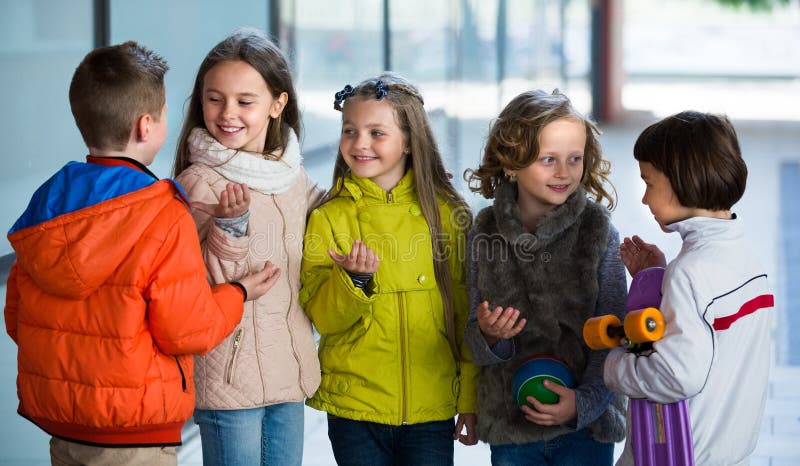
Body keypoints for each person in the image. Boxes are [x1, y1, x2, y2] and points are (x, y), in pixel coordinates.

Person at [4, 41, 280, 466]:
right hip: (137, 433)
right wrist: (238, 293)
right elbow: (186, 331)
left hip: (63, 426)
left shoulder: (48, 205)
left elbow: (17, 317)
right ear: (146, 125)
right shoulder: (163, 213)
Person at [299, 73, 479, 466]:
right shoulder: (329, 218)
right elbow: (323, 319)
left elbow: (466, 314)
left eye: (376, 132)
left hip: (431, 409)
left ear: (410, 141)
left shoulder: (449, 214)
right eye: (350, 130)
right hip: (354, 407)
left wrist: (468, 397)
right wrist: (354, 281)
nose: (359, 143)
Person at [172, 28, 322, 466]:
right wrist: (229, 230)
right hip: (228, 377)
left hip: (287, 373)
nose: (227, 113)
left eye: (244, 101)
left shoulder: (293, 177)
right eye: (214, 98)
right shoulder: (197, 182)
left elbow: (338, 219)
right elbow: (189, 286)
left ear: (278, 105)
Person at [463, 89, 627, 465]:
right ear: (510, 163)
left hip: (586, 429)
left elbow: (615, 335)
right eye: (548, 159)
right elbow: (474, 333)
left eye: (574, 159)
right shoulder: (483, 233)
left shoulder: (598, 230)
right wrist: (491, 335)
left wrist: (582, 404)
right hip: (512, 429)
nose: (564, 172)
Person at [605, 111, 774, 466]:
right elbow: (714, 346)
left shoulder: (689, 273)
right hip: (728, 450)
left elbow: (675, 376)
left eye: (649, 183)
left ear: (682, 180)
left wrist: (614, 367)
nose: (645, 200)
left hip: (675, 454)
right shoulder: (745, 257)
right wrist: (657, 278)